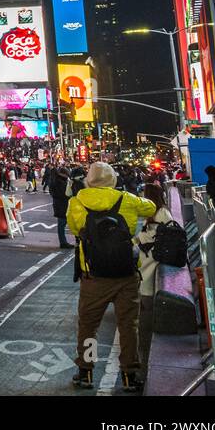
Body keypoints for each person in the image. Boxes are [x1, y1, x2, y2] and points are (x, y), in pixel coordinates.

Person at [67, 162, 157, 392]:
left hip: (93, 274)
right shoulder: (127, 199)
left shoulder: (77, 202)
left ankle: (86, 371)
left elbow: (76, 229)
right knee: (128, 325)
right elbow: (151, 207)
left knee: (88, 325)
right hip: (126, 273)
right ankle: (129, 374)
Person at [134, 182, 173, 377]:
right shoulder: (157, 214)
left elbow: (148, 239)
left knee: (145, 317)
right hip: (147, 270)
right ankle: (142, 360)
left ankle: (143, 366)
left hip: (150, 270)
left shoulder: (160, 215)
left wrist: (137, 240)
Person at [48, 164, 74, 249]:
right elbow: (65, 194)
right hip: (62, 205)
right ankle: (63, 242)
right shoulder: (60, 182)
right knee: (62, 224)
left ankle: (63, 242)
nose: (67, 176)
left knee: (61, 224)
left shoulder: (56, 181)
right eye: (67, 175)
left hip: (59, 205)